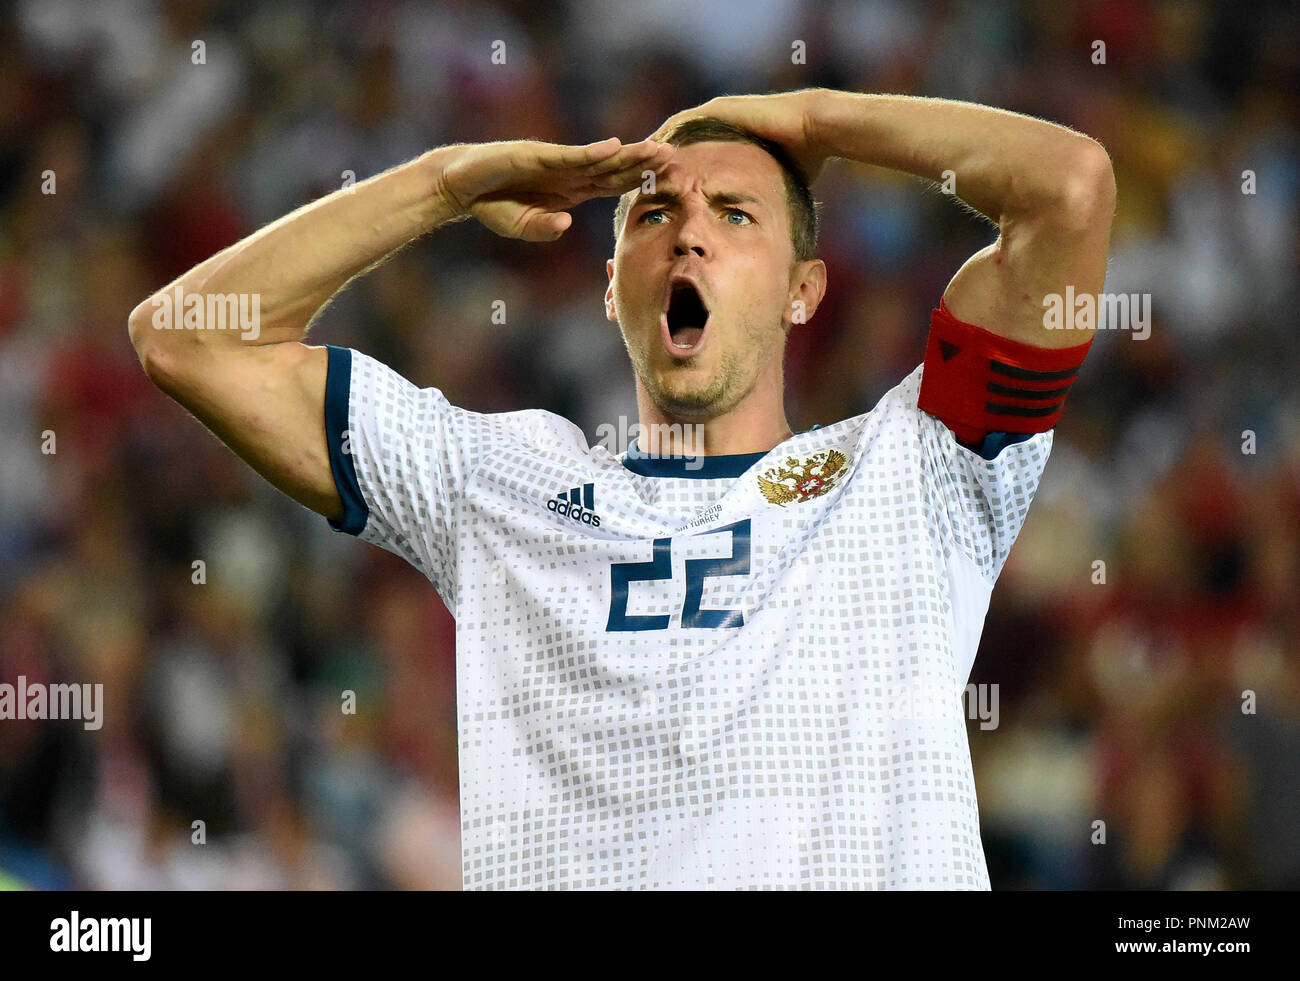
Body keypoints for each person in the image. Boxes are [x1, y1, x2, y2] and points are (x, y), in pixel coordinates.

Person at [128, 88, 1114, 889]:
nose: (689, 237)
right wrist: (441, 182)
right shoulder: (499, 486)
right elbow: (189, 336)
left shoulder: (917, 469)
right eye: (654, 214)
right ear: (611, 289)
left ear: (802, 290)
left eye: (735, 215)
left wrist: (811, 123)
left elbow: (1067, 187)